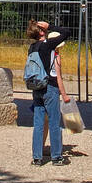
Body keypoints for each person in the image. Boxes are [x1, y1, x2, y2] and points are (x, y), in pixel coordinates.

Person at [27, 19, 71, 166]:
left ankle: (37, 158)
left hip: (36, 87)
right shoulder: (47, 46)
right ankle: (57, 157)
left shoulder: (32, 48)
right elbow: (66, 33)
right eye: (43, 28)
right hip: (50, 86)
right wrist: (50, 26)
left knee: (38, 123)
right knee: (54, 123)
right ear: (41, 31)